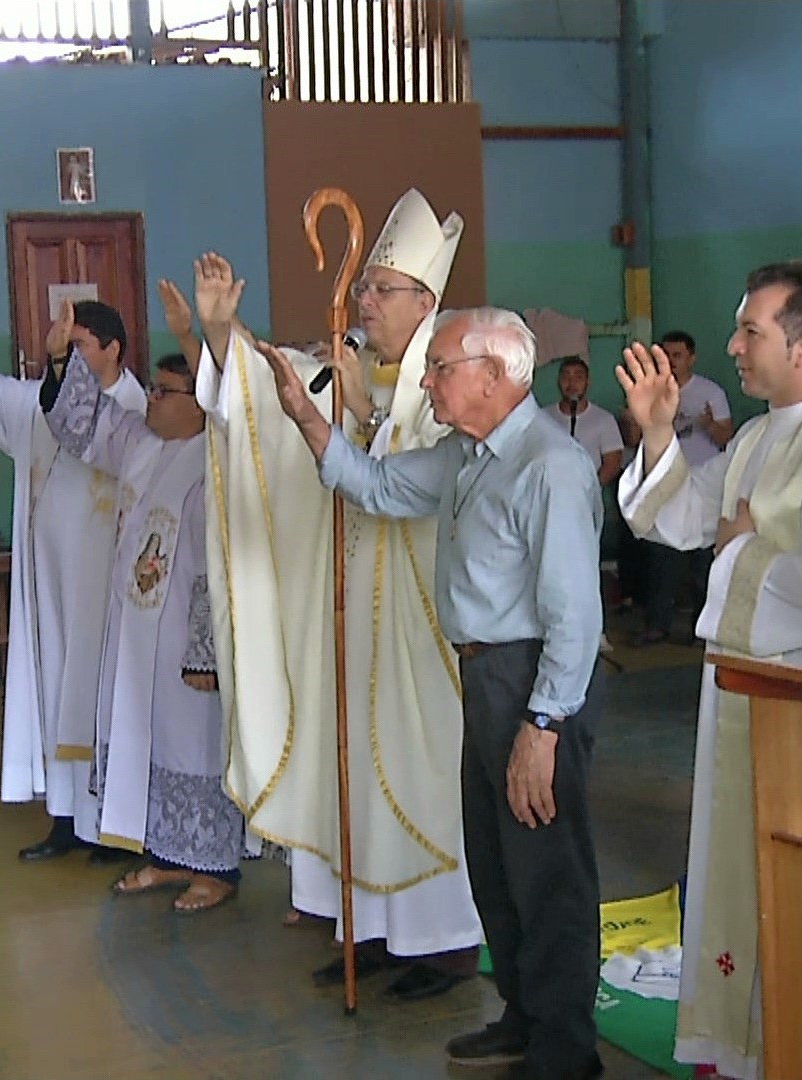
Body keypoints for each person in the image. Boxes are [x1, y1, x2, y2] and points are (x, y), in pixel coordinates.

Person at [257, 306, 606, 1079]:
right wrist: (309, 419)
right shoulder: (467, 455)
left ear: (495, 374)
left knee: (548, 872)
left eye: (441, 367)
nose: (426, 381)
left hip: (533, 681)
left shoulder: (547, 465)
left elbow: (576, 617)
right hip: (483, 677)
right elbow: (376, 486)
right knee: (497, 860)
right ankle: (522, 1014)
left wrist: (542, 724)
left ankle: (565, 1051)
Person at [194, 189, 484, 1001]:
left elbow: (422, 478)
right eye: (364, 289)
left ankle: (444, 941)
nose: (364, 301)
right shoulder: (372, 367)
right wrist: (223, 335)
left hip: (423, 626)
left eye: (379, 289)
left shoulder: (447, 376)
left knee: (424, 774)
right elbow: (278, 399)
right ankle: (381, 933)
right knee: (361, 763)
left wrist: (362, 410)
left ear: (423, 302)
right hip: (364, 621)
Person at [614, 260, 802, 1077]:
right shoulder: (761, 433)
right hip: (735, 682)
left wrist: (740, 555)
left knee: (785, 875)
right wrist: (660, 431)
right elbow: (679, 520)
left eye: (751, 332)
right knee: (730, 867)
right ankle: (735, 1044)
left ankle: (789, 1045)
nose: (732, 346)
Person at [0, 266, 149, 863]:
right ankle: (67, 819)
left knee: (103, 696)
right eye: (62, 347)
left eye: (79, 346)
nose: (67, 355)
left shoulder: (135, 411)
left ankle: (116, 826)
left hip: (107, 589)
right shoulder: (44, 405)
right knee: (57, 689)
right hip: (50, 589)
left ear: (113, 350)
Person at [42, 337, 244, 912]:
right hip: (136, 636)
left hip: (186, 639)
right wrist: (63, 363)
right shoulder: (140, 442)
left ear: (201, 401)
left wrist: (207, 650)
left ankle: (216, 867)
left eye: (163, 391)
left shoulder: (219, 459)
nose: (149, 399)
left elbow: (222, 563)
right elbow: (80, 424)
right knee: (147, 737)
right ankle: (165, 855)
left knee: (194, 745)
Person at [633, 330, 733, 645]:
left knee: (704, 563)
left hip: (704, 487)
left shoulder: (710, 392)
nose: (672, 362)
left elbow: (726, 439)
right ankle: (657, 625)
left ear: (691, 357)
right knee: (661, 557)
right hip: (666, 483)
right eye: (666, 354)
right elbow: (635, 440)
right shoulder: (652, 391)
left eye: (677, 355)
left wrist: (706, 423)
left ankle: (701, 630)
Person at [547, 357, 623, 486]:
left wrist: (589, 490)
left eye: (578, 377)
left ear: (588, 382)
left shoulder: (604, 419)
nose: (571, 383)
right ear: (558, 381)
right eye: (566, 377)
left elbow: (612, 463)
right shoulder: (543, 418)